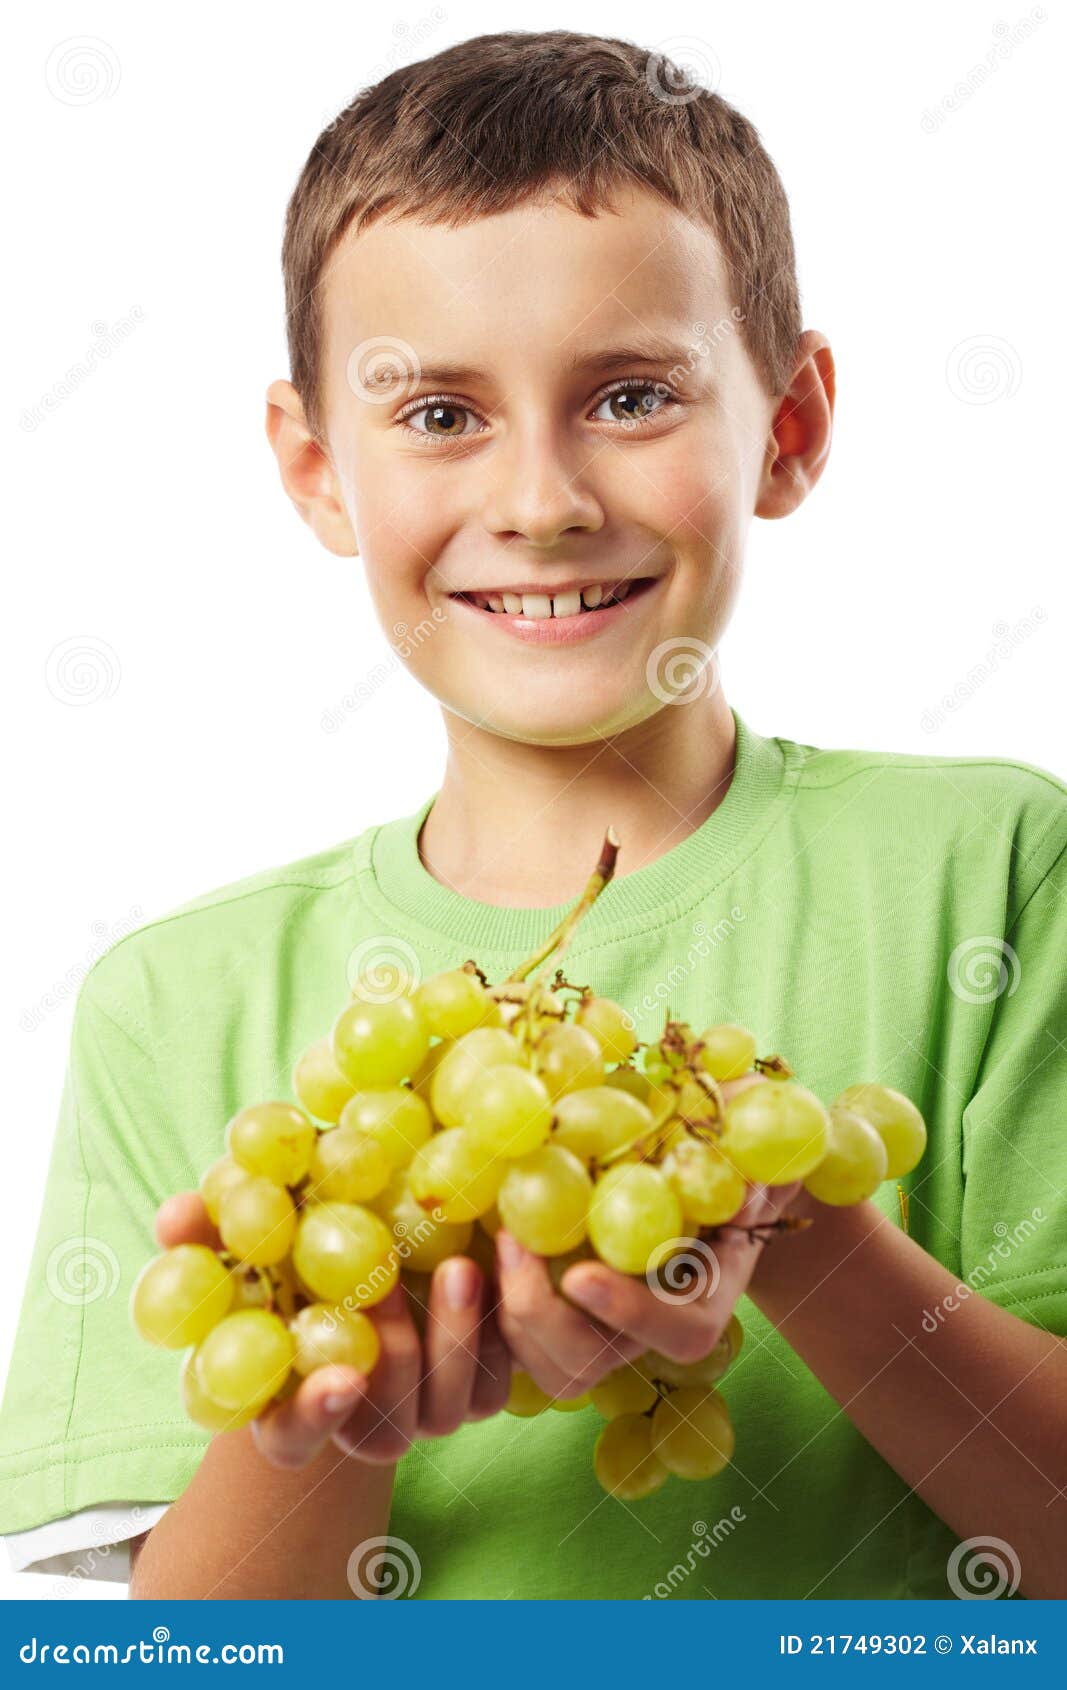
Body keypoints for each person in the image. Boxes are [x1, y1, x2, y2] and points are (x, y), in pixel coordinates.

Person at [2, 29, 1065, 1602]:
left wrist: (798, 1231)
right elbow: (191, 1653)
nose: (543, 500)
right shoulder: (172, 1000)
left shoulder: (994, 870)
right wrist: (341, 1411)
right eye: (439, 414)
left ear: (789, 425)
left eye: (629, 394)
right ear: (316, 469)